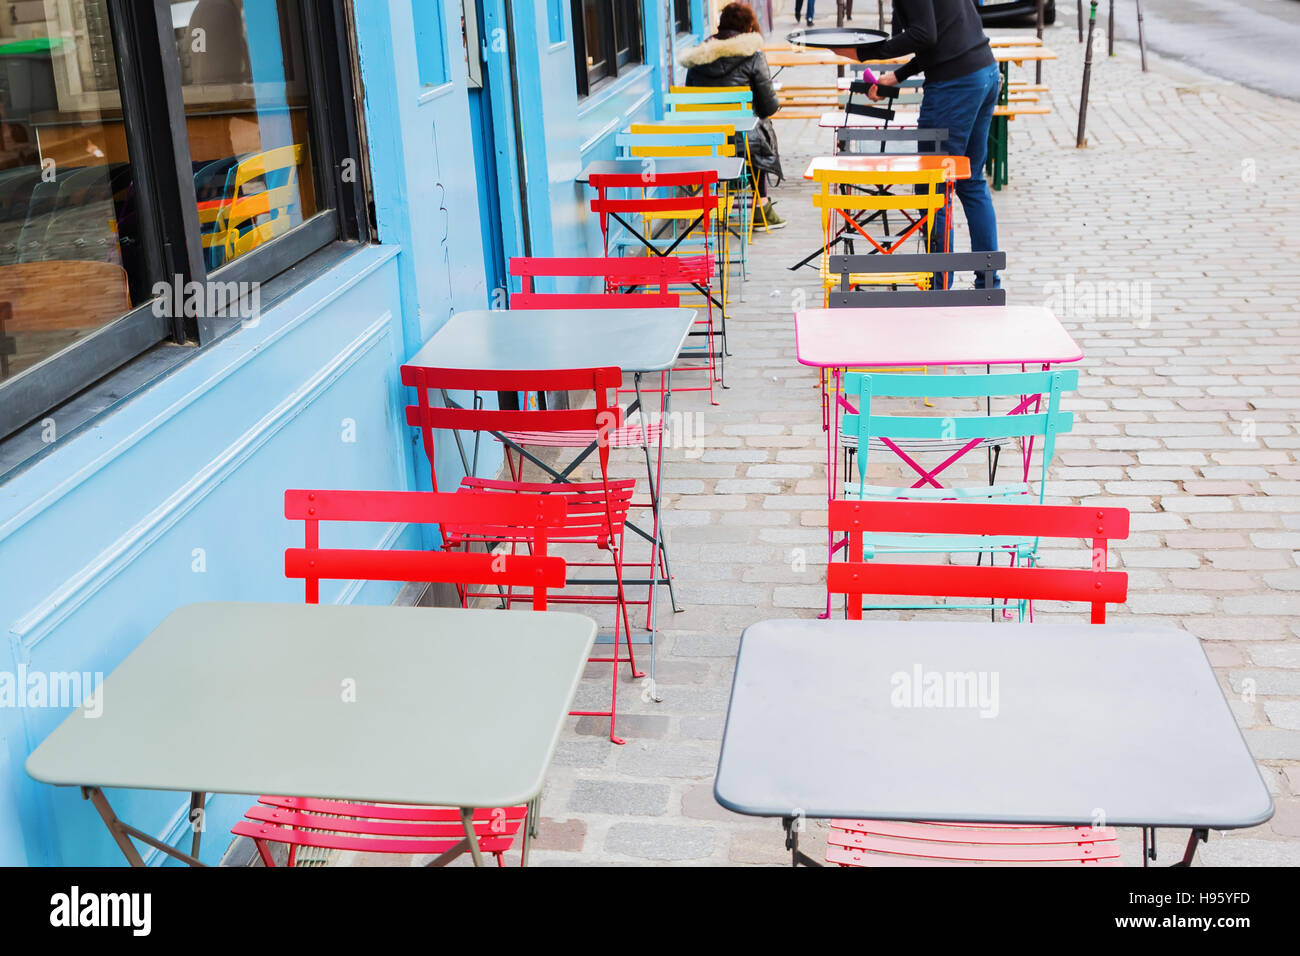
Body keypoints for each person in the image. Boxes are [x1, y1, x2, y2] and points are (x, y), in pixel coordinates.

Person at [835, 0, 1001, 288]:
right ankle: (987, 283)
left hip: (955, 86)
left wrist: (864, 53)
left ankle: (939, 283)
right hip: (983, 71)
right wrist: (898, 75)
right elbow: (942, 35)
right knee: (971, 181)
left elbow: (925, 35)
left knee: (933, 187)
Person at [681, 2, 787, 229]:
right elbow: (769, 106)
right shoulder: (754, 57)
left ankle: (712, 201)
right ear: (749, 28)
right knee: (759, 128)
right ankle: (762, 207)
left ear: (720, 27)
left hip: (705, 140)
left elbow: (689, 100)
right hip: (743, 143)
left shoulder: (697, 58)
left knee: (752, 130)